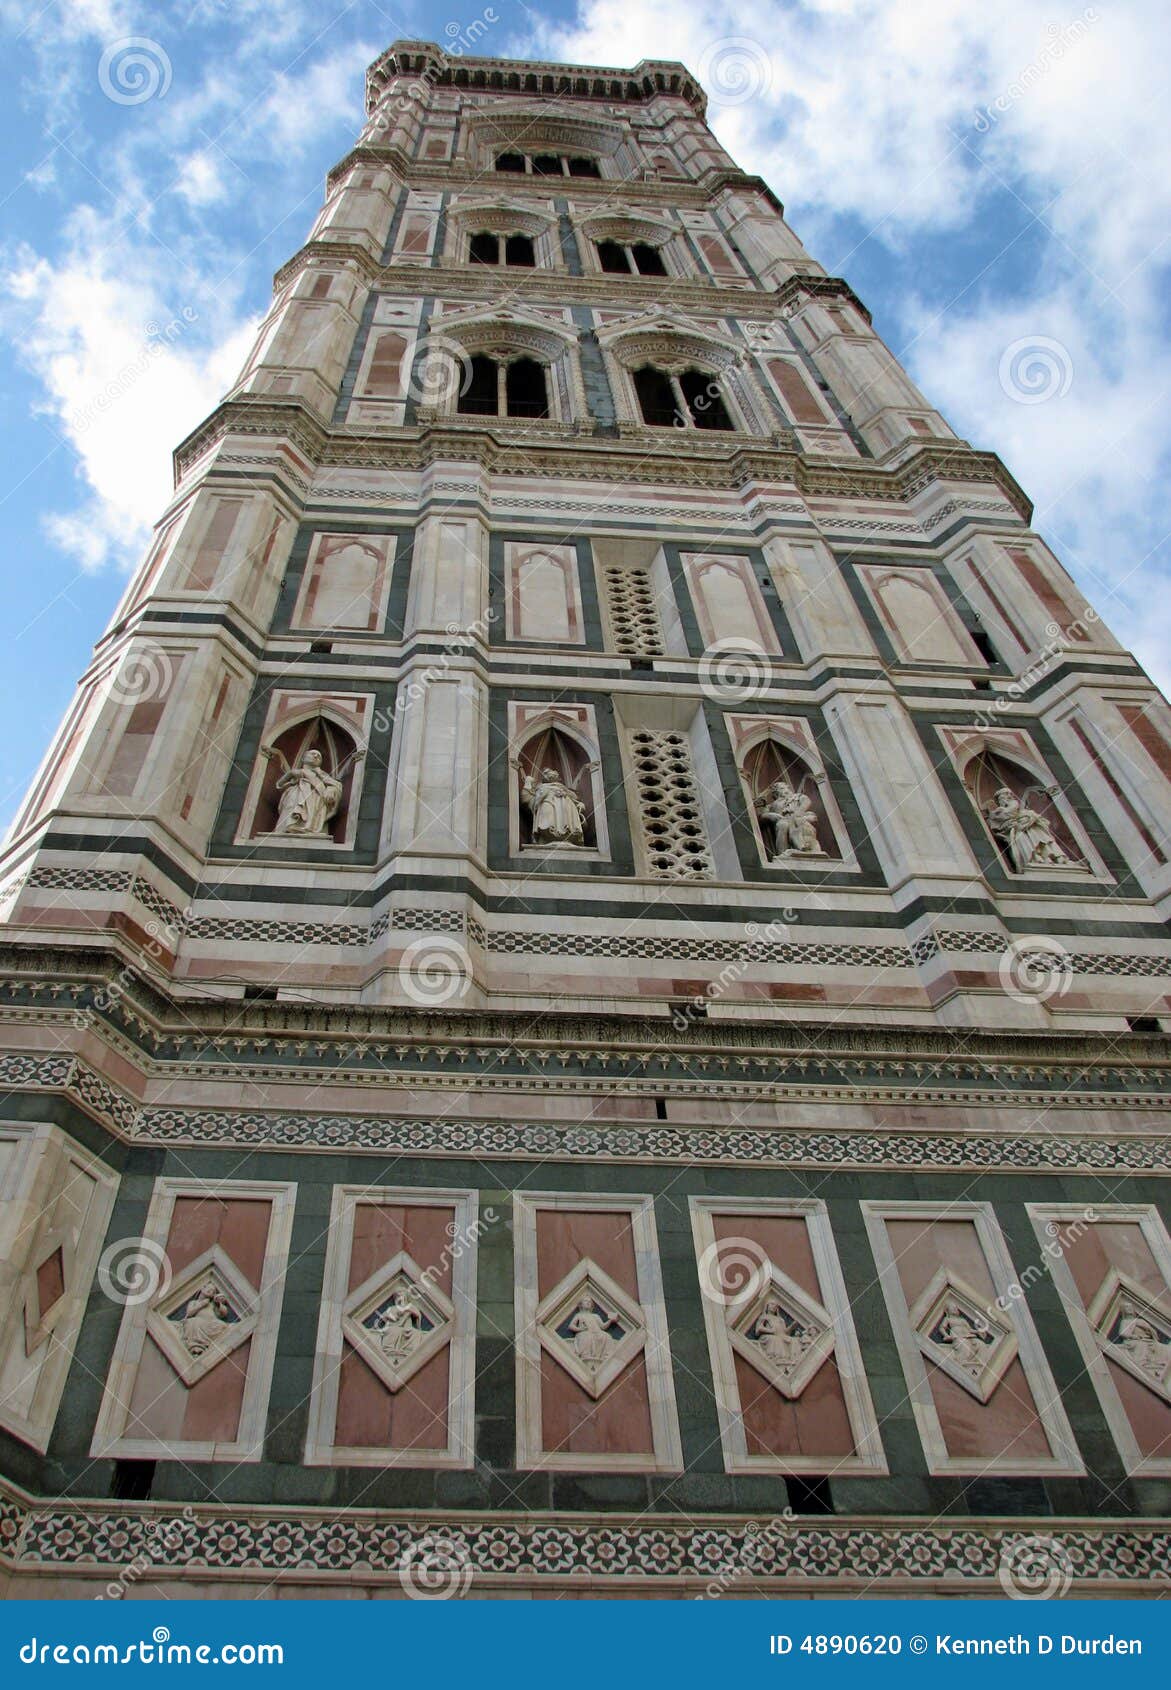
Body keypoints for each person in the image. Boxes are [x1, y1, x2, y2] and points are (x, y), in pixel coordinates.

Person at [984, 786, 1072, 872]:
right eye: (1006, 794)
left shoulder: (1017, 808)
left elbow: (1020, 815)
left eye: (1010, 794)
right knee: (1021, 835)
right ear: (1000, 799)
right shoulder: (999, 811)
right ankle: (1035, 858)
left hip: (1030, 827)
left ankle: (1056, 857)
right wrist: (1017, 815)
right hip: (1016, 832)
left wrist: (1030, 816)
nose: (1010, 796)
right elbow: (1004, 820)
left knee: (1041, 834)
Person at [266, 745, 347, 837]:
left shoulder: (323, 775)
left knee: (312, 810)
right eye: (313, 754)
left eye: (318, 756)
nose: (316, 756)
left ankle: (308, 828)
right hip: (296, 793)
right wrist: (291, 774)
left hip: (316, 798)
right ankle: (287, 827)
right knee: (291, 805)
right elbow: (279, 785)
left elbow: (337, 785)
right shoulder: (295, 772)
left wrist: (331, 789)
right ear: (303, 758)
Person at [520, 765, 587, 846]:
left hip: (567, 811)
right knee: (547, 812)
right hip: (548, 806)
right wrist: (528, 784)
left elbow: (575, 799)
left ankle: (569, 835)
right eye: (546, 774)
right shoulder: (541, 788)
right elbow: (528, 799)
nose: (549, 775)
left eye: (551, 773)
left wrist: (579, 804)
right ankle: (546, 837)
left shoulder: (564, 788)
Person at [756, 777, 821, 857]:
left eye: (783, 788)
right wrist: (772, 815)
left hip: (798, 818)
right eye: (780, 789)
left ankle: (803, 847)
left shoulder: (797, 797)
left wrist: (797, 814)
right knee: (782, 825)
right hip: (782, 821)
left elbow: (806, 802)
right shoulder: (772, 805)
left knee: (799, 823)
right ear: (775, 793)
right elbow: (763, 816)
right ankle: (783, 853)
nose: (783, 790)